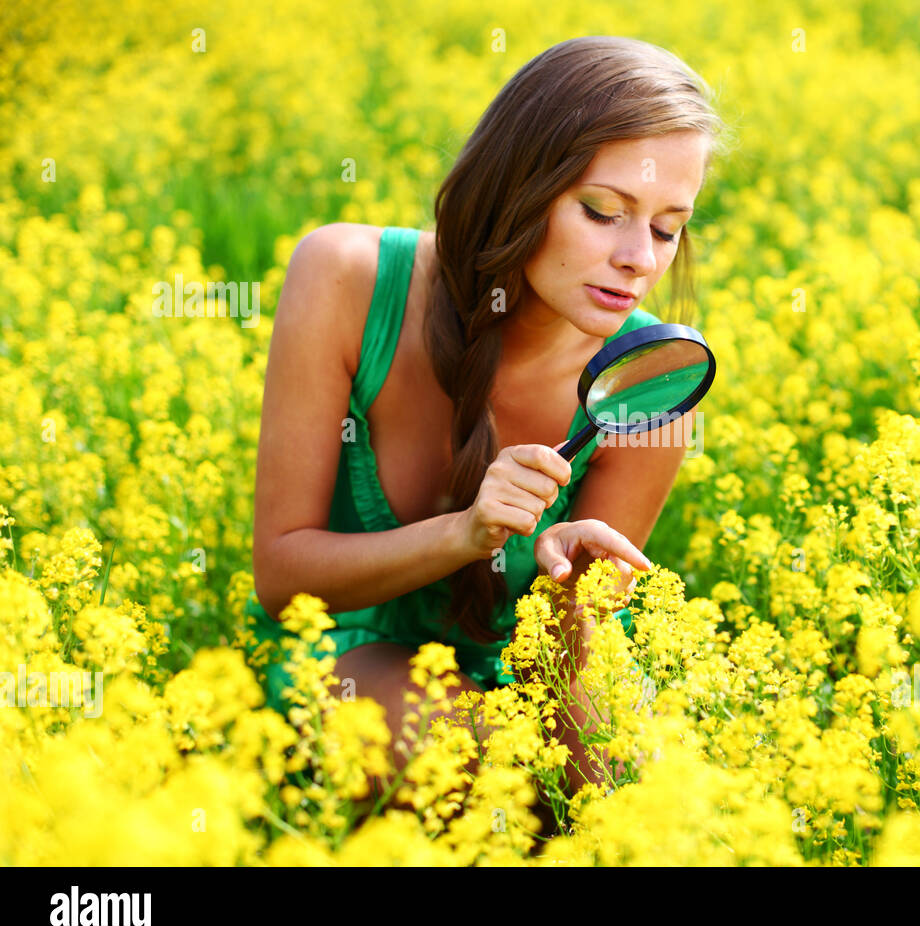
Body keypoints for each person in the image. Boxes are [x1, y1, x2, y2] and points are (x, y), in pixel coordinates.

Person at [244, 35, 728, 801]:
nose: (640, 257)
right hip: (348, 651)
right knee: (488, 769)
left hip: (535, 669)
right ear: (518, 188)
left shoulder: (653, 375)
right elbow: (282, 576)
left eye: (668, 228)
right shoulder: (343, 277)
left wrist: (573, 594)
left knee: (631, 806)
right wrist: (463, 533)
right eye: (604, 212)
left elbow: (565, 674)